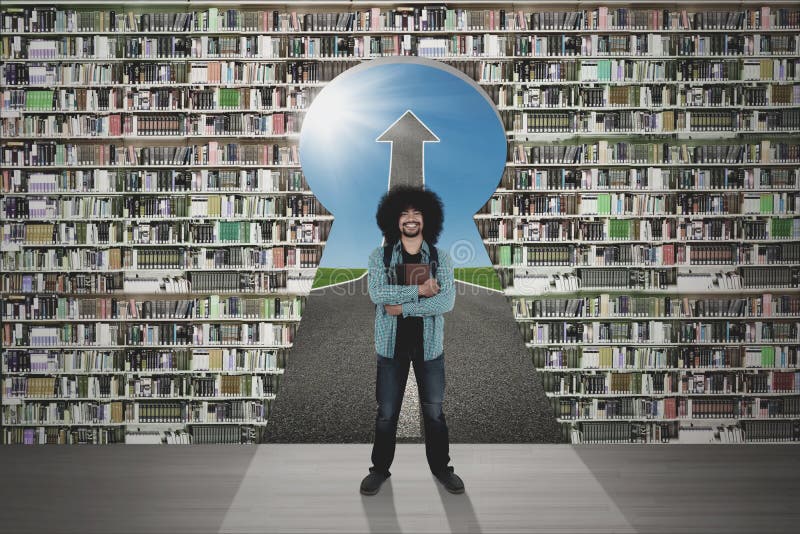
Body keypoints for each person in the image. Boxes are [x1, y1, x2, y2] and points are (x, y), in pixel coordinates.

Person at [360, 185, 464, 496]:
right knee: (386, 413)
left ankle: (442, 469)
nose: (410, 218)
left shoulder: (441, 258)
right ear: (394, 219)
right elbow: (377, 293)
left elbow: (446, 301)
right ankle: (379, 470)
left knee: (434, 412)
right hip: (391, 347)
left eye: (417, 213)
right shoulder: (380, 256)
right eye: (404, 213)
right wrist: (420, 290)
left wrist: (403, 307)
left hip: (429, 348)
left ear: (427, 218)